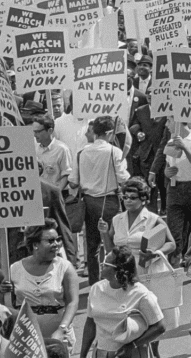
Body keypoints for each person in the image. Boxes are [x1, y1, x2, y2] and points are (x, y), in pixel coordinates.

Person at [98, 177, 179, 334]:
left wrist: (155, 253)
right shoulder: (117, 219)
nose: (128, 201)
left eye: (132, 198)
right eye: (125, 197)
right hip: (123, 270)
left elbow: (172, 244)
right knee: (126, 309)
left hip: (146, 268)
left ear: (144, 199)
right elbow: (111, 249)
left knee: (151, 310)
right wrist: (104, 233)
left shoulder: (153, 219)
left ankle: (153, 349)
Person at [69, 115, 130, 285]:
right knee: (115, 242)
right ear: (109, 133)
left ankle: (94, 282)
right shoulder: (114, 151)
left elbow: (73, 181)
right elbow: (123, 177)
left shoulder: (81, 153)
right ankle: (117, 278)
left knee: (92, 244)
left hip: (89, 202)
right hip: (109, 201)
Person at [80, 246, 165, 358]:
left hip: (131, 353)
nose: (101, 265)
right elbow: (90, 324)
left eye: (106, 264)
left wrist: (132, 345)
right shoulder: (96, 289)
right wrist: (82, 355)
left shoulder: (141, 294)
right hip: (101, 352)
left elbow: (160, 327)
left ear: (117, 270)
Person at [6, 220, 78, 349]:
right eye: (50, 241)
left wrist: (62, 329)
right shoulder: (14, 269)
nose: (56, 245)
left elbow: (72, 302)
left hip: (57, 337)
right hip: (26, 338)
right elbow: (7, 305)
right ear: (35, 244)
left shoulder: (65, 268)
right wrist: (2, 291)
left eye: (58, 239)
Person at [151, 118, 191, 264]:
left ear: (178, 122)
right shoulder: (171, 141)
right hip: (175, 189)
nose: (166, 124)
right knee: (174, 231)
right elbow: (168, 165)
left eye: (169, 120)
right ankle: (174, 264)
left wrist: (185, 148)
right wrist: (166, 172)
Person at [33, 115, 73, 192]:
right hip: (39, 193)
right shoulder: (34, 148)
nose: (35, 135)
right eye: (34, 132)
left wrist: (57, 192)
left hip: (55, 194)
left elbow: (67, 174)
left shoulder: (62, 149)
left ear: (50, 131)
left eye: (38, 132)